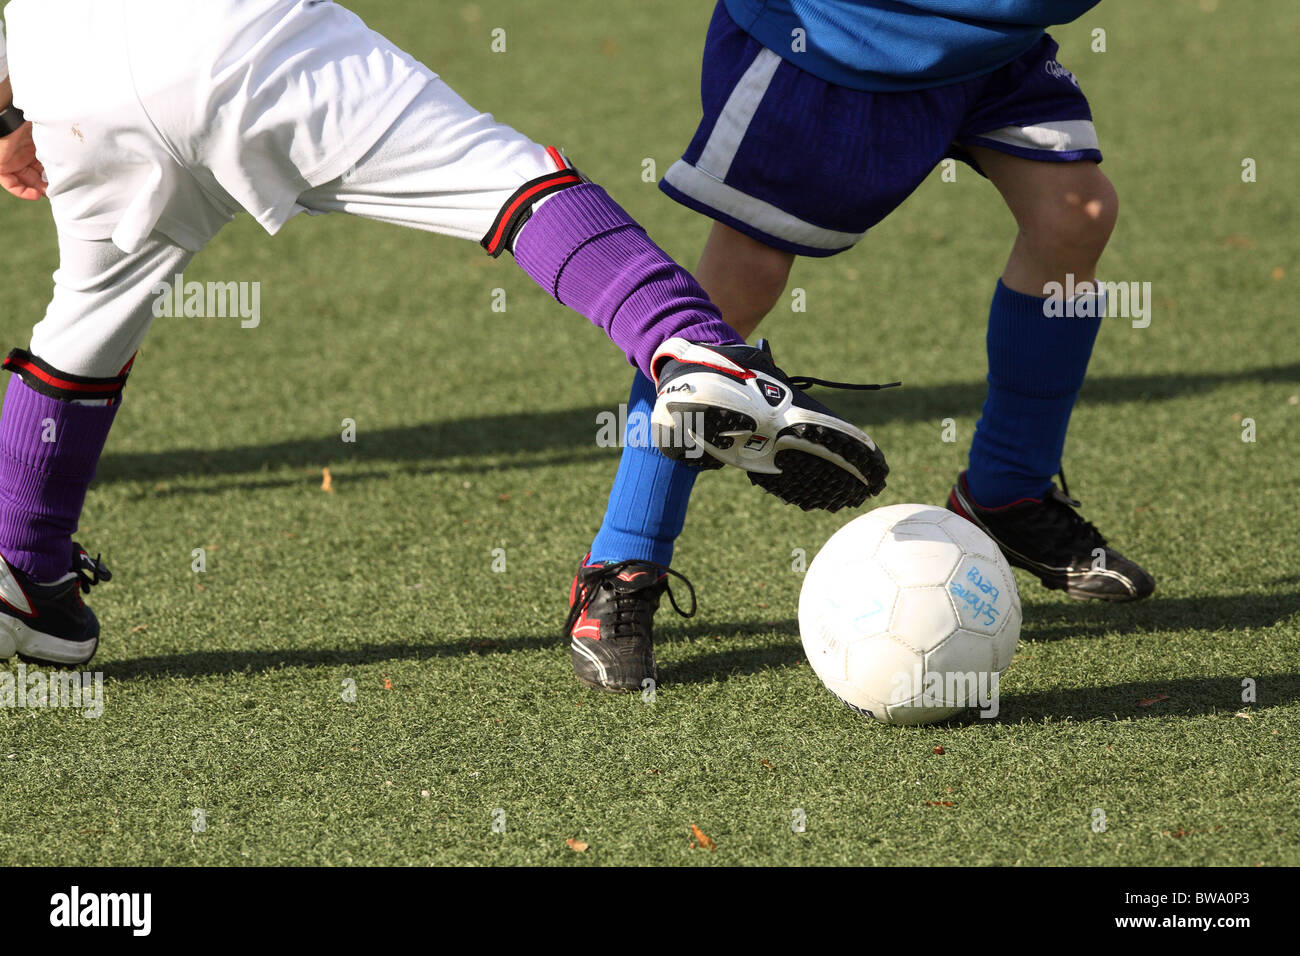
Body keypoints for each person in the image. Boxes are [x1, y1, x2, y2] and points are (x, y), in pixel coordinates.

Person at [0, 0, 884, 667]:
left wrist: (8, 114)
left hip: (69, 73)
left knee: (86, 314)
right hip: (241, 38)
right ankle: (688, 343)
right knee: (506, 180)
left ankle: (24, 565)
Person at [564, 0, 1155, 693]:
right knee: (734, 288)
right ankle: (623, 567)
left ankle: (1007, 495)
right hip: (834, 40)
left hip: (987, 45)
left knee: (1074, 214)